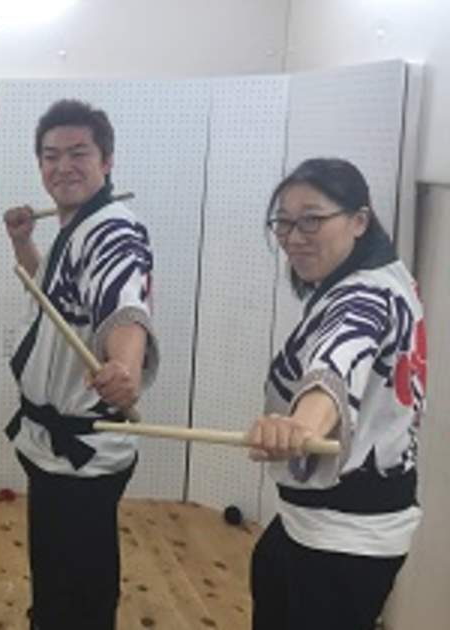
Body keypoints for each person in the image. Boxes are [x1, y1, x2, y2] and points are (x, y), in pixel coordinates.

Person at [246, 157, 425, 630]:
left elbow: (338, 360)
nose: (294, 235)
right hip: (324, 522)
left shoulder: (363, 297)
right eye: (283, 222)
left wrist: (300, 426)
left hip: (346, 535)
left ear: (359, 220)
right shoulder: (386, 276)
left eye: (312, 219)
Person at [2, 99, 158, 630]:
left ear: (107, 161)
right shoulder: (78, 225)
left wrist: (125, 366)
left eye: (78, 153)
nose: (62, 166)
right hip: (55, 451)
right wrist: (24, 245)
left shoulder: (112, 230)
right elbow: (58, 292)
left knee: (80, 596)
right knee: (57, 580)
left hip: (83, 451)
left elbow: (123, 305)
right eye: (50, 156)